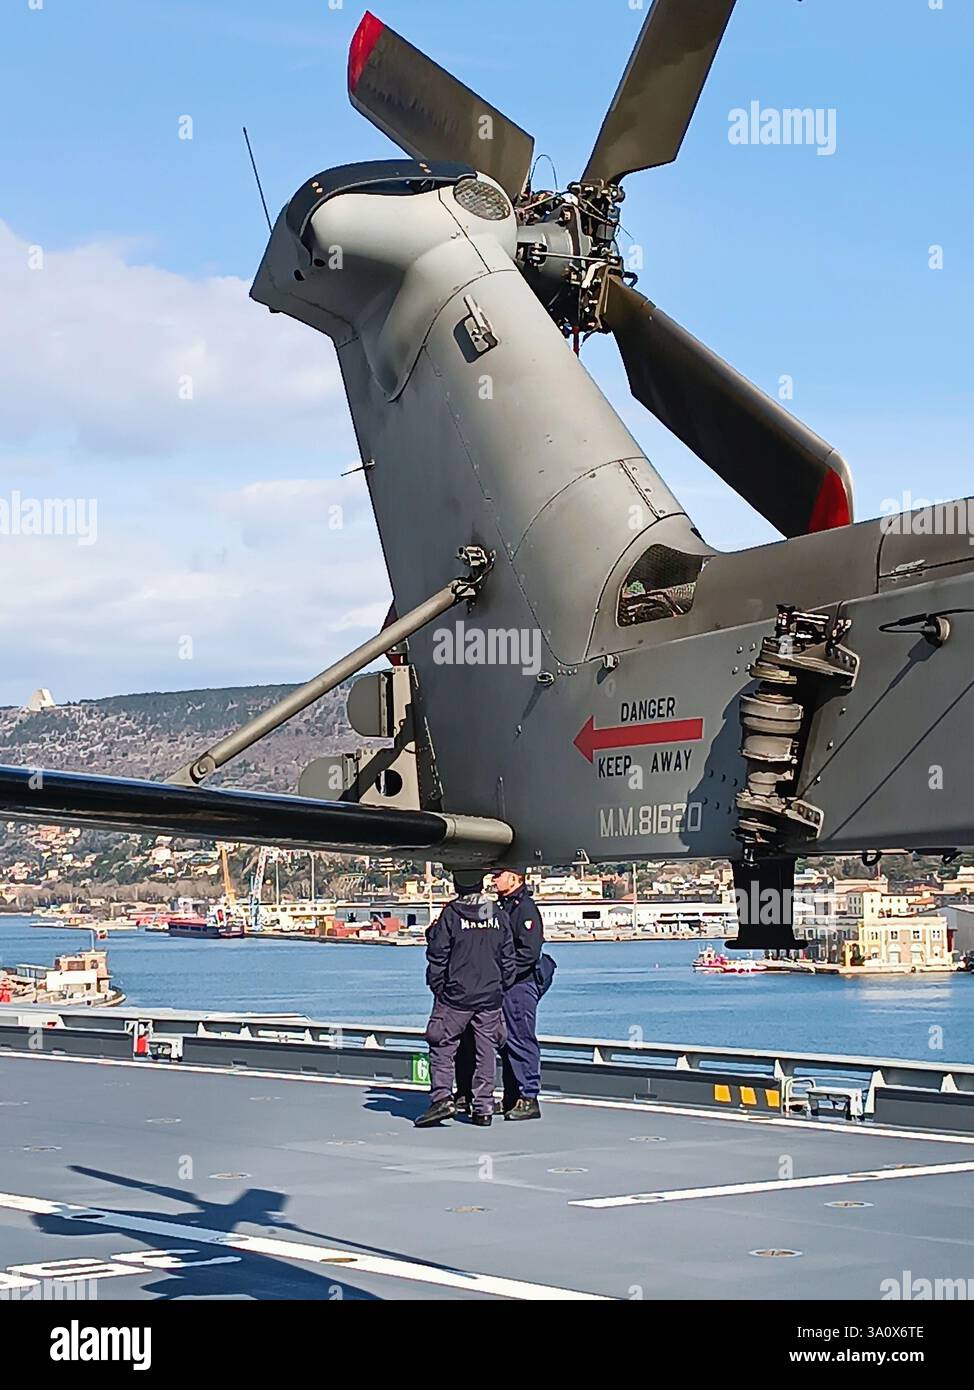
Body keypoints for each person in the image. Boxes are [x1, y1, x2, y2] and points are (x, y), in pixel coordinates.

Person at [414, 871, 514, 1128]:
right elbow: (508, 957)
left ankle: (443, 1098)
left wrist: (440, 988)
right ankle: (483, 1108)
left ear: (457, 885)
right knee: (486, 1050)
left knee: (442, 1044)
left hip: (456, 997)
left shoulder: (451, 915)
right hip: (490, 997)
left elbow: (437, 955)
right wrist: (500, 986)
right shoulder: (497, 914)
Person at [455, 867, 555, 1121]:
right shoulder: (503, 907)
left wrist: (502, 973)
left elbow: (529, 952)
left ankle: (529, 1097)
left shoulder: (525, 909)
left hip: (520, 984)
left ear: (515, 878)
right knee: (506, 1040)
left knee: (521, 1037)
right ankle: (512, 1097)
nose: (494, 879)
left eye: (499, 875)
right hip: (505, 983)